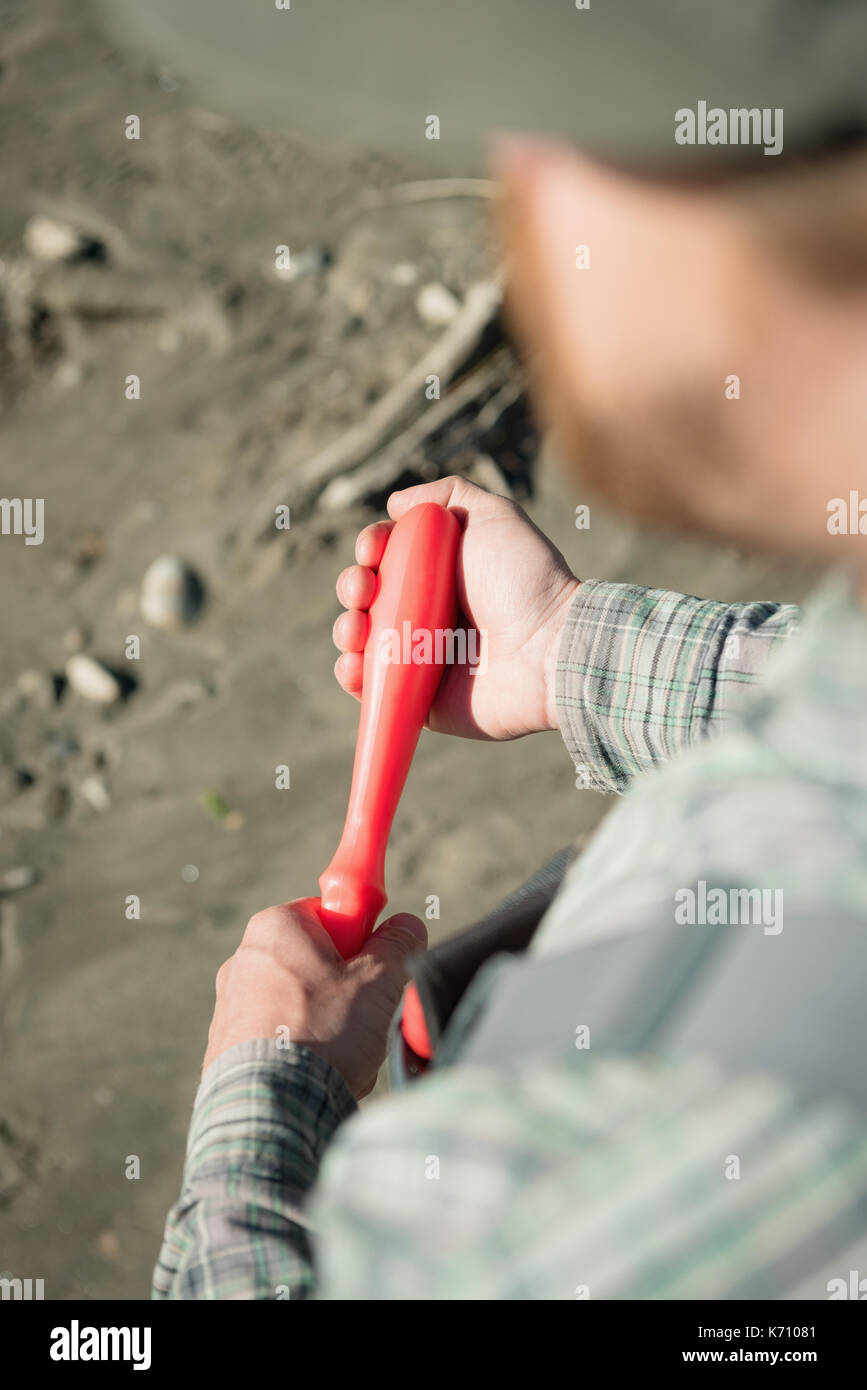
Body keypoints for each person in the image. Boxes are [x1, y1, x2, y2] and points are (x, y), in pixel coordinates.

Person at [153, 26, 867, 1299]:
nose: (515, 176)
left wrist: (262, 1100)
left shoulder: (613, 1165)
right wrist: (571, 653)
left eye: (571, 117)